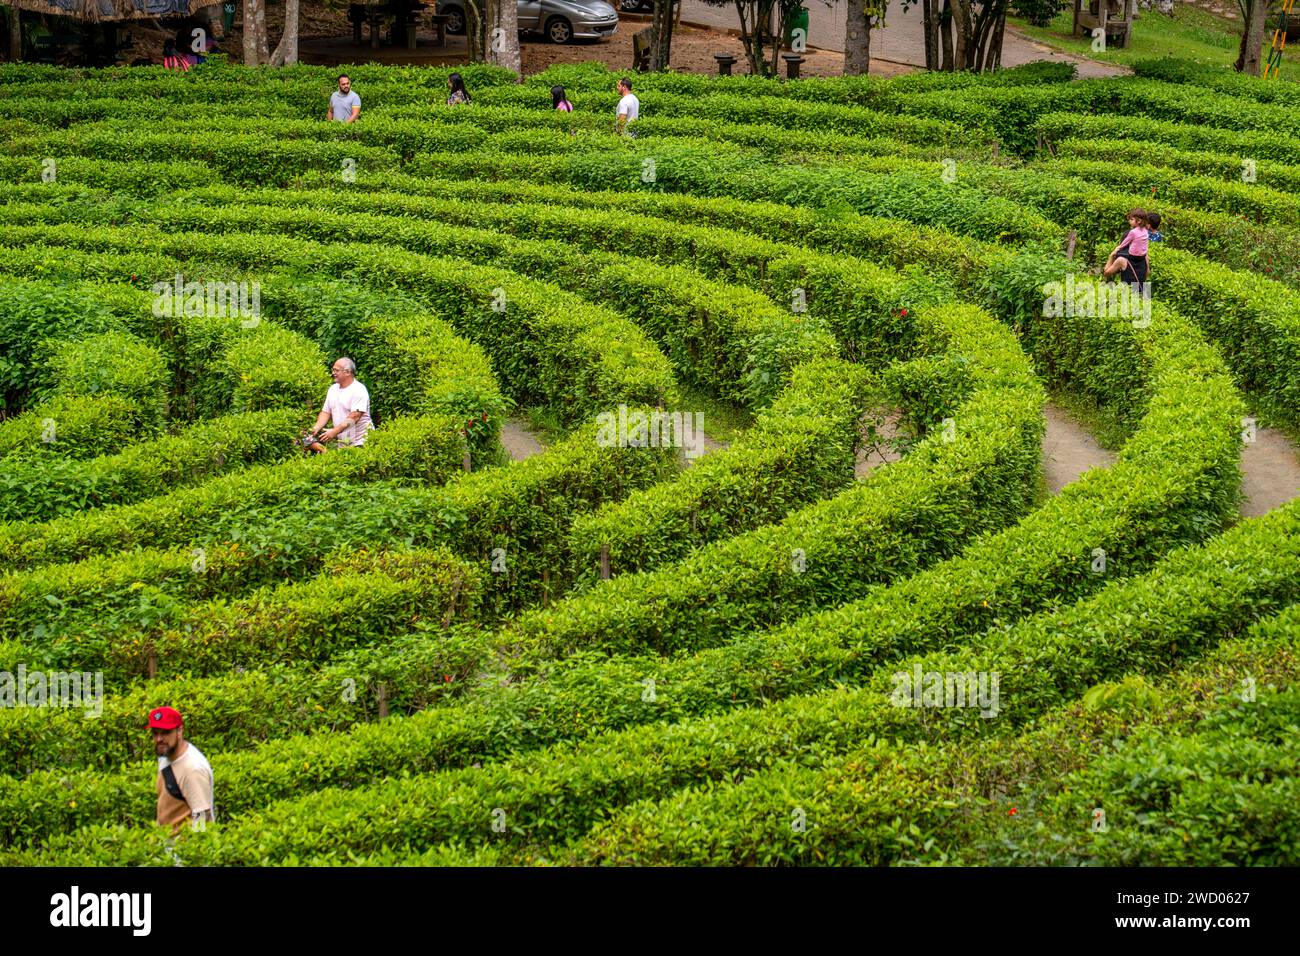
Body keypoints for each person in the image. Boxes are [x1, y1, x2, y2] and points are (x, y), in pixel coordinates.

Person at [150, 706, 215, 835]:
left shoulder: (193, 769)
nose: (159, 739)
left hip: (182, 849)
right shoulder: (166, 754)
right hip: (164, 844)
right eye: (155, 733)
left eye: (165, 732)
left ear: (179, 731)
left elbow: (202, 817)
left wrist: (191, 852)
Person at [304, 357, 373, 451]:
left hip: (361, 443)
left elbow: (354, 417)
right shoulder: (333, 389)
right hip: (343, 443)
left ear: (347, 372)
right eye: (333, 370)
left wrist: (334, 432)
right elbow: (326, 412)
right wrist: (315, 428)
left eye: (336, 370)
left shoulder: (359, 390)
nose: (333, 373)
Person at [1103, 208, 1149, 292]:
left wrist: (1112, 255)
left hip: (1127, 295)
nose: (1129, 221)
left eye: (1131, 219)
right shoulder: (1145, 257)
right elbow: (1146, 274)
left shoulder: (1122, 260)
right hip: (1140, 294)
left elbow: (1106, 272)